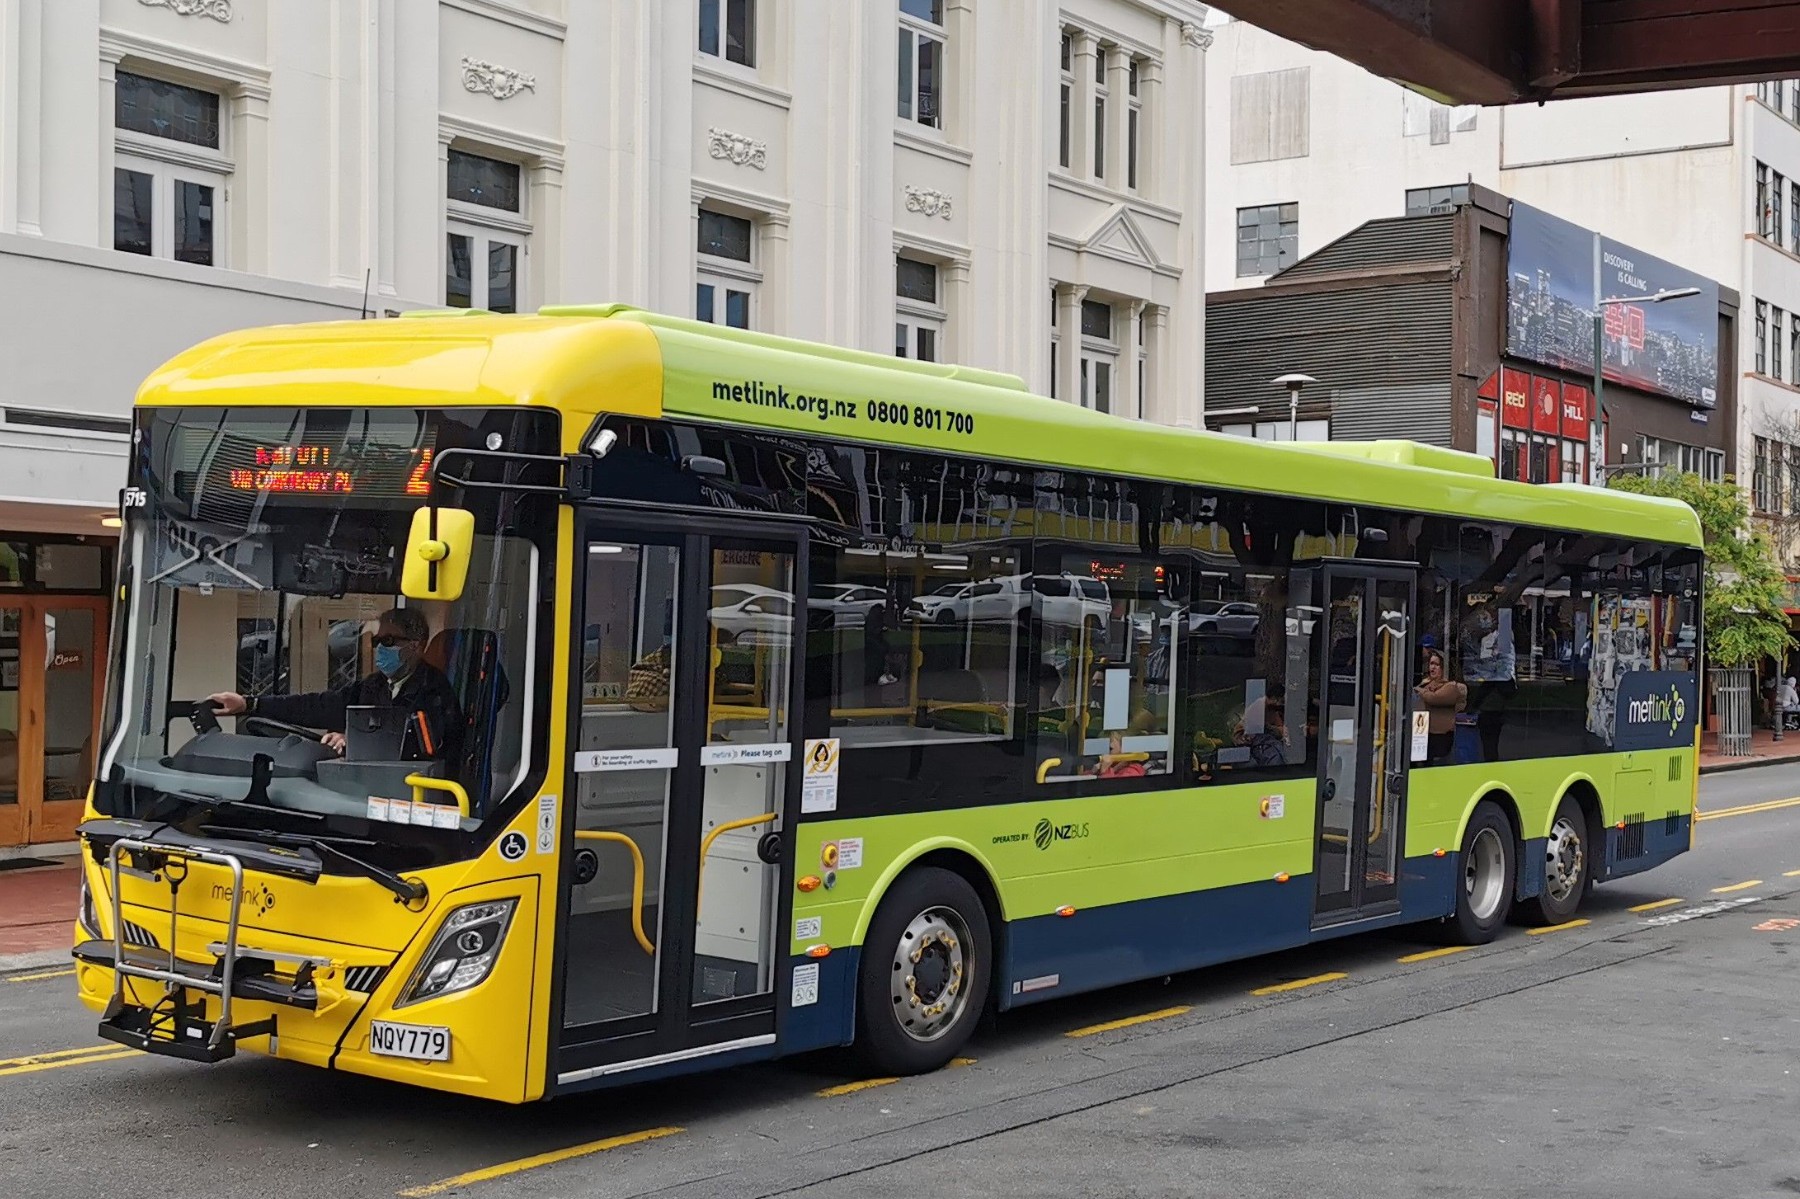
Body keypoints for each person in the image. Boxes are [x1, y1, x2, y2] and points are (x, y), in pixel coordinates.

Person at [206, 607, 461, 761]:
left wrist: (355, 741)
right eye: (376, 641)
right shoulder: (374, 686)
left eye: (388, 641)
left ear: (415, 646)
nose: (379, 649)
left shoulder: (435, 691)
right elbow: (318, 705)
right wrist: (249, 703)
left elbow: (422, 747)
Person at [1413, 648, 1467, 765]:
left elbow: (1435, 699)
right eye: (1431, 664)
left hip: (1440, 736)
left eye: (1437, 665)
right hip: (1422, 733)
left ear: (1444, 667)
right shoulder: (1426, 683)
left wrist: (1420, 691)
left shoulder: (1452, 686)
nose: (1432, 668)